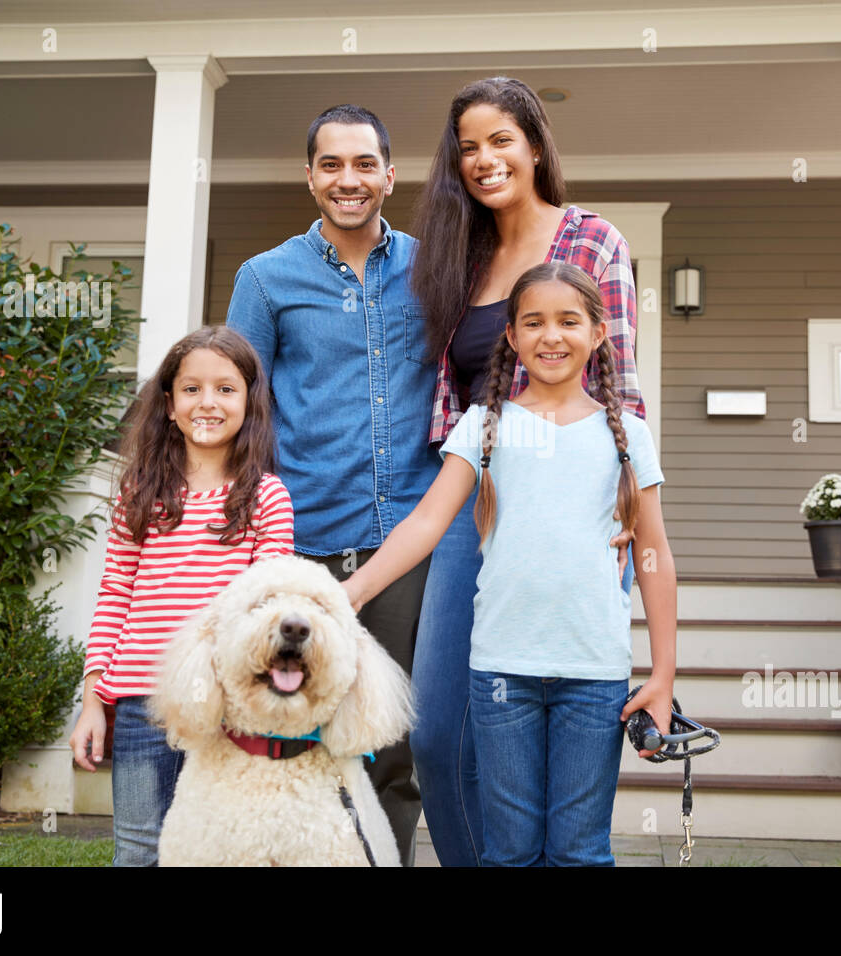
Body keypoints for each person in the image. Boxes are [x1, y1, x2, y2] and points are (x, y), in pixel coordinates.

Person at [342, 263, 677, 866]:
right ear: (514, 338)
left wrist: (663, 676)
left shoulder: (626, 434)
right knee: (510, 852)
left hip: (594, 674)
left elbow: (653, 557)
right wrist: (353, 591)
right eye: (534, 322)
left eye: (569, 321)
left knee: (580, 852)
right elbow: (424, 524)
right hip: (501, 674)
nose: (552, 336)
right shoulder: (484, 426)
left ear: (599, 333)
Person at [408, 75, 646, 865]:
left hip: (571, 518)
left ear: (536, 146)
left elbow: (626, 387)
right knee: (440, 735)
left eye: (500, 140)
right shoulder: (459, 255)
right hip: (474, 504)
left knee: (557, 766)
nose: (483, 160)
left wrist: (627, 508)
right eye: (467, 148)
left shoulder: (594, 240)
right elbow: (450, 396)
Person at [226, 105, 438, 867]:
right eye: (330, 165)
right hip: (301, 541)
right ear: (310, 176)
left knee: (393, 744)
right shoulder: (265, 278)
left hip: (407, 547)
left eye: (363, 164)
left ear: (390, 173)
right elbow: (238, 408)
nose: (348, 180)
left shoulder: (436, 266)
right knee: (291, 731)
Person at [69, 326, 295, 866]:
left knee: (220, 851)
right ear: (169, 405)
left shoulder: (266, 497)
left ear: (249, 402)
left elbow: (266, 610)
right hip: (142, 702)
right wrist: (93, 700)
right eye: (191, 389)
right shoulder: (138, 494)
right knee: (140, 849)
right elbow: (114, 593)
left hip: (228, 710)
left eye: (225, 388)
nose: (208, 402)